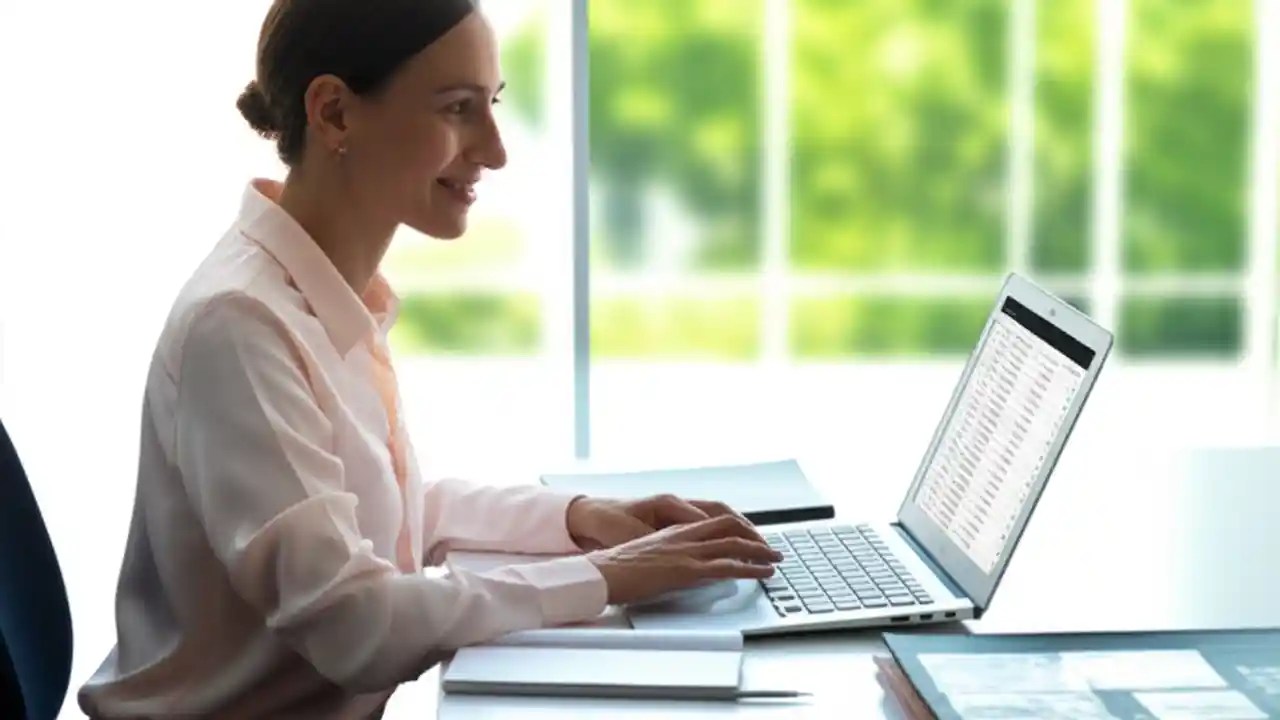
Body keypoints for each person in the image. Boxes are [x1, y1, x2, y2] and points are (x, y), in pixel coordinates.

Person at [77, 1, 781, 718]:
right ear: (335, 114)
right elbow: (351, 626)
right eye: (457, 109)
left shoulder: (325, 294)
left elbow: (395, 516)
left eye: (493, 104)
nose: (496, 148)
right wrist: (606, 576)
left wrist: (583, 519)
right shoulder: (241, 325)